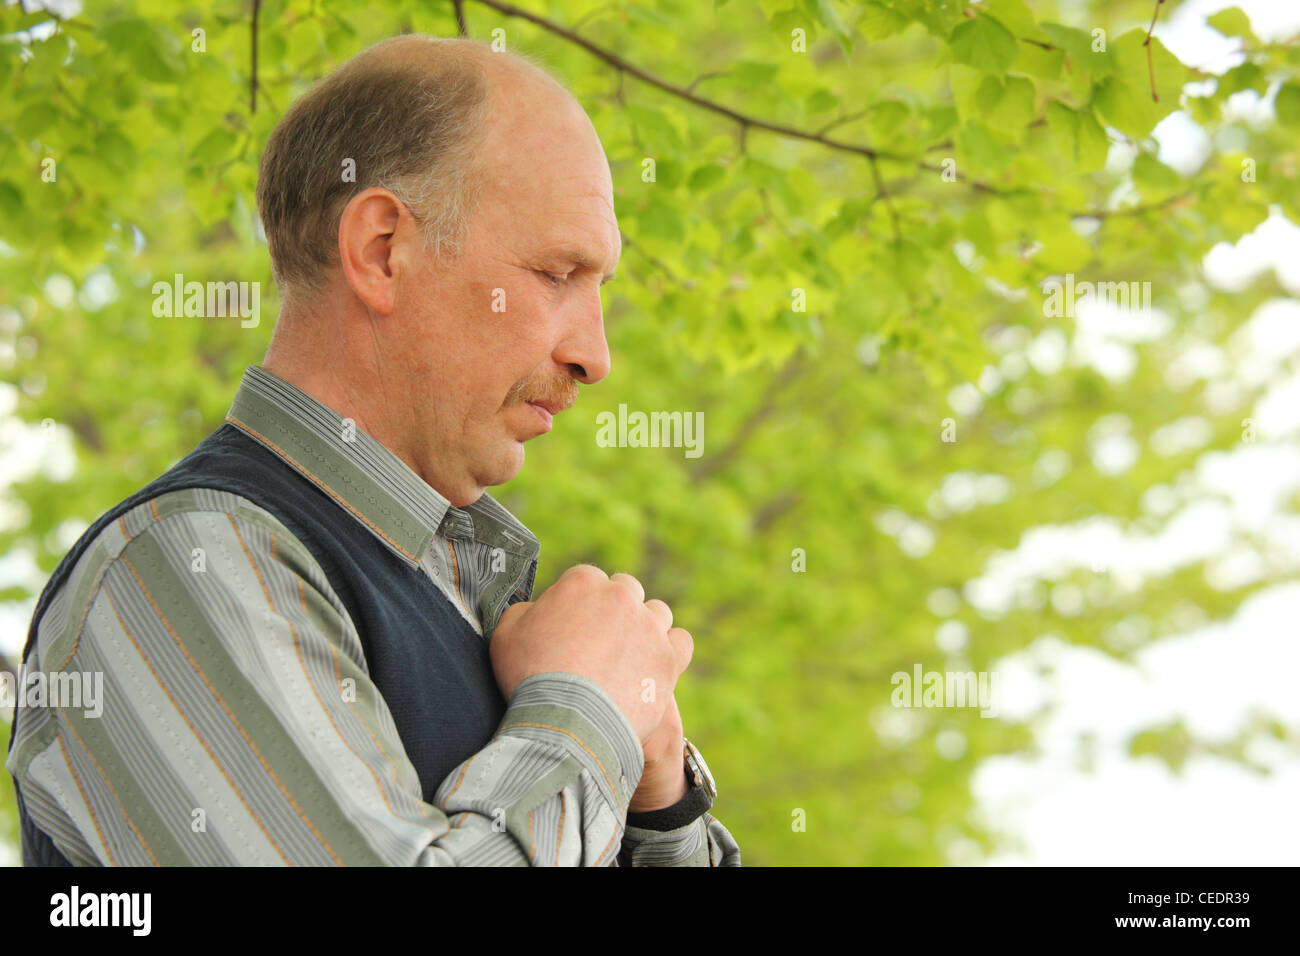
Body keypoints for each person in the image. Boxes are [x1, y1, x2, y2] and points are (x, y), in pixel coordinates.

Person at [5, 33, 740, 866]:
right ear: (382, 250)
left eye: (598, 290)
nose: (595, 357)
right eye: (556, 273)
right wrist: (586, 718)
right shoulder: (181, 560)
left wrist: (661, 810)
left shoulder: (460, 600)